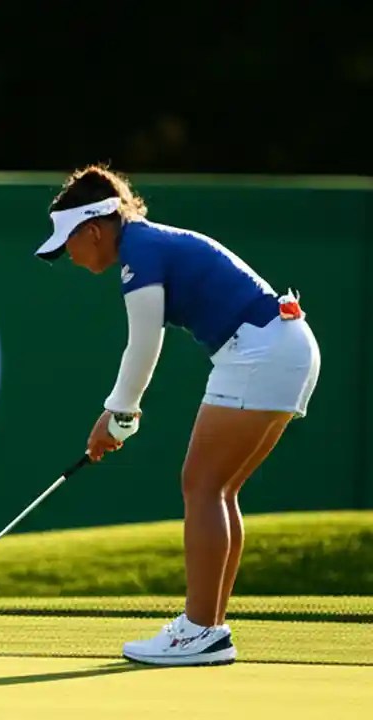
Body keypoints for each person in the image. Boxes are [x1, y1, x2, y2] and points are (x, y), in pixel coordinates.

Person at [33, 163, 321, 667]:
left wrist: (116, 413)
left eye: (68, 246)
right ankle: (206, 628)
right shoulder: (146, 244)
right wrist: (122, 413)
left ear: (93, 229)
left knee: (202, 485)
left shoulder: (140, 252)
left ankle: (199, 629)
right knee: (217, 488)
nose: (69, 257)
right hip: (281, 347)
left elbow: (144, 345)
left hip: (259, 351)